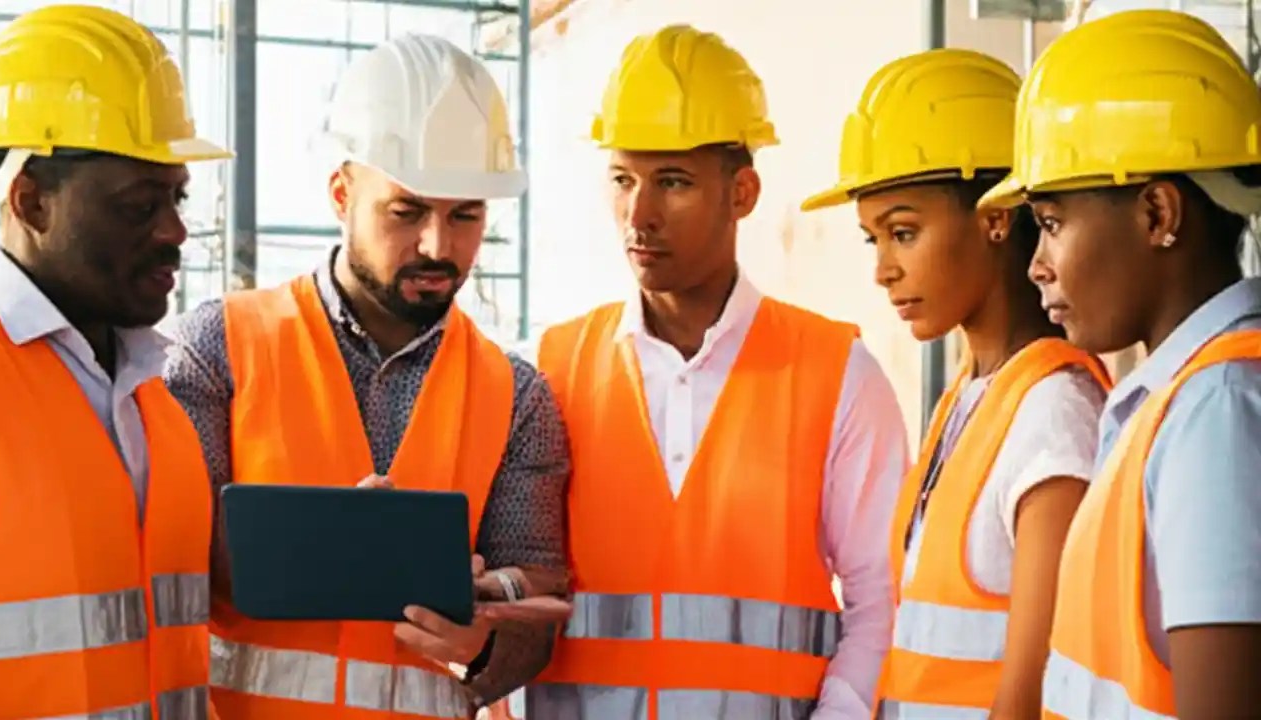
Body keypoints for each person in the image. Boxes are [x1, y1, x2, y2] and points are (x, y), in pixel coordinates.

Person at [163, 32, 571, 719]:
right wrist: (331, 549)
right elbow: (172, 559)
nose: (439, 246)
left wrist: (483, 643)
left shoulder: (517, 397)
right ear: (341, 193)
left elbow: (536, 601)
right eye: (406, 212)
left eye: (465, 215)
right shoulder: (218, 348)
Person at [521, 24, 910, 720]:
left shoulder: (839, 374)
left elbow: (882, 601)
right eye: (622, 180)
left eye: (672, 183)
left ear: (743, 192)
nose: (638, 215)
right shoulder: (549, 371)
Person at [800, 48, 1110, 719]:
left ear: (997, 218)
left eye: (903, 233)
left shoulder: (1054, 411)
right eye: (872, 240)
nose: (883, 269)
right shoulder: (967, 401)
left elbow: (1034, 690)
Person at [979, 9, 1261, 718]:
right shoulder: (1176, 399)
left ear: (1157, 215)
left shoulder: (1216, 411)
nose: (1036, 266)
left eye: (1049, 223)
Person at [0, 5, 230, 718]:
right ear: (31, 202)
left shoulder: (155, 398)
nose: (175, 231)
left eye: (177, 197)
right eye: (137, 205)